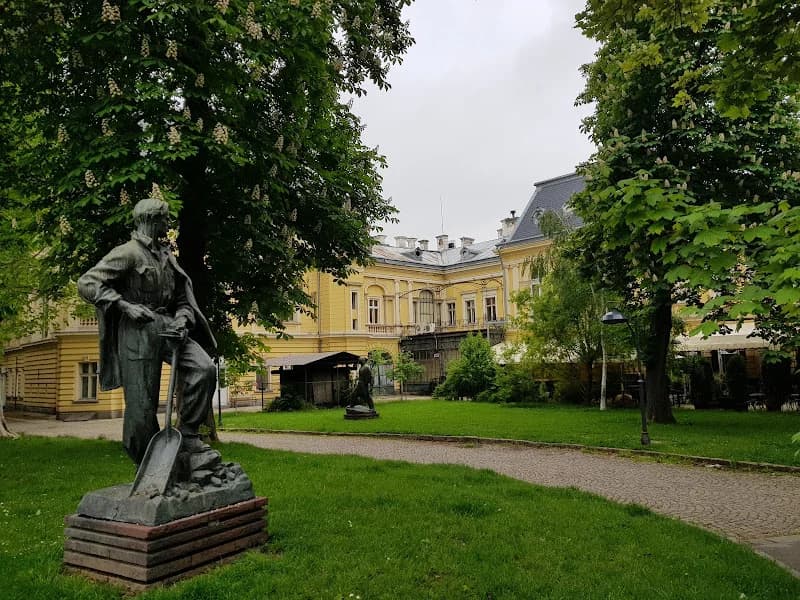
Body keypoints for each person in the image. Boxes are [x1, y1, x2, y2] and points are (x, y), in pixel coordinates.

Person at [78, 197, 217, 465]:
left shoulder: (167, 257)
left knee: (204, 369)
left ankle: (188, 437)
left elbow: (182, 300)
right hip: (137, 331)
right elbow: (87, 283)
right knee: (142, 408)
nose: (168, 223)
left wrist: (182, 319)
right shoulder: (128, 252)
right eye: (165, 218)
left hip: (169, 327)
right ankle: (150, 466)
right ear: (152, 220)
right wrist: (124, 305)